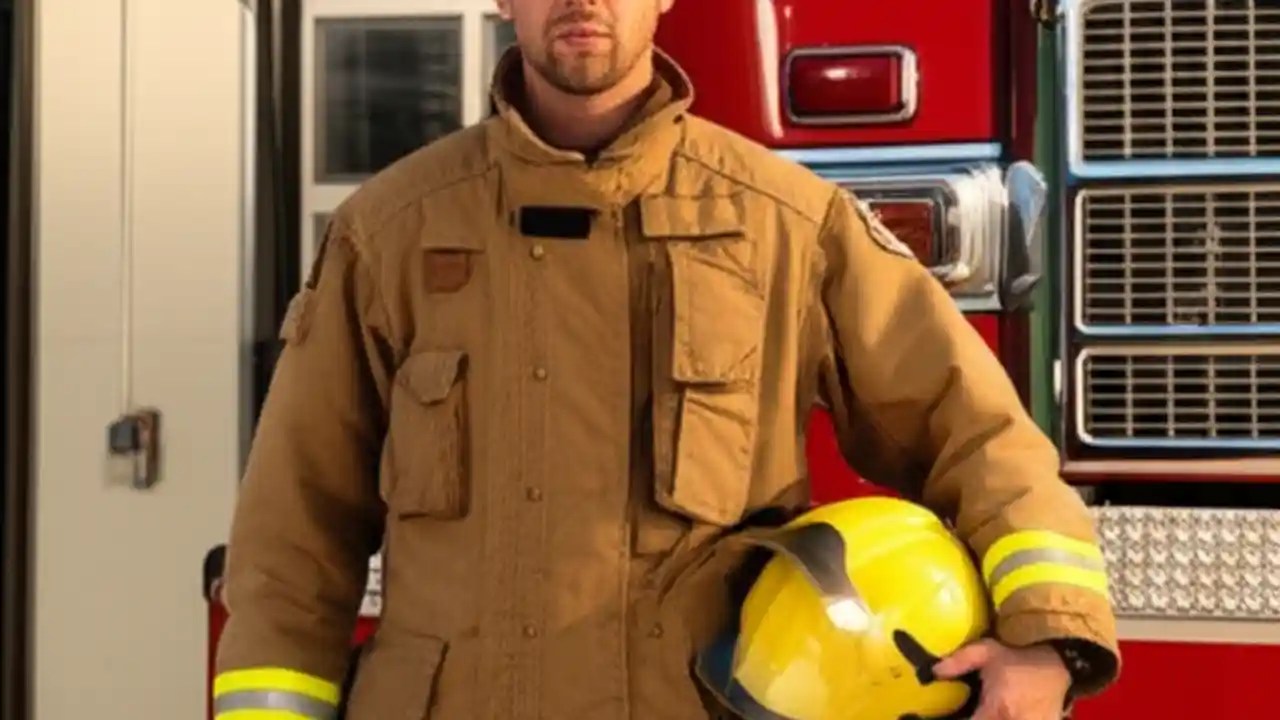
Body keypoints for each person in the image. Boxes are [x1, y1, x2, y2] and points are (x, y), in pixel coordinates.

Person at [212, 0, 1120, 718]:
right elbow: (293, 536)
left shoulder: (785, 225)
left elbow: (976, 430)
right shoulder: (391, 235)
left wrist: (1047, 638)